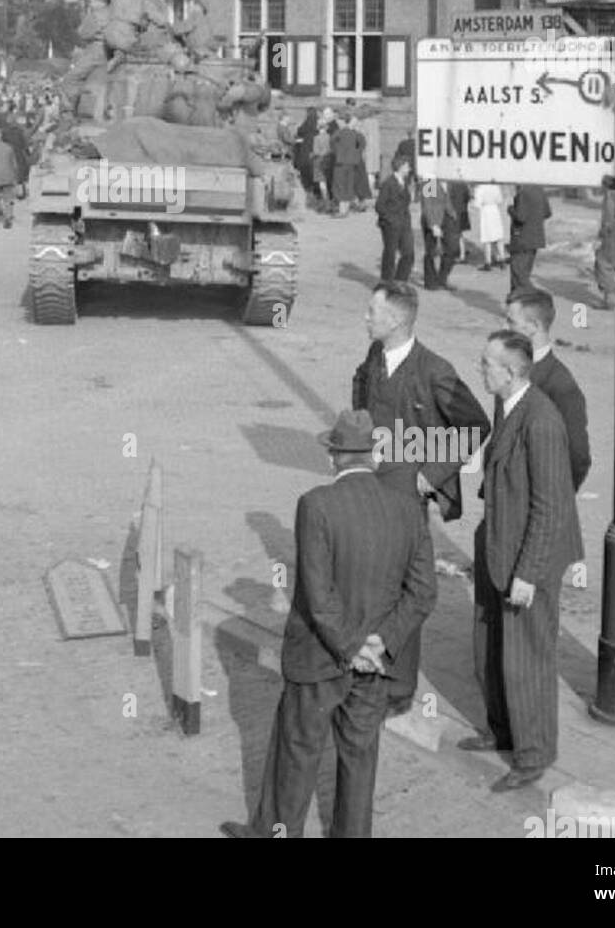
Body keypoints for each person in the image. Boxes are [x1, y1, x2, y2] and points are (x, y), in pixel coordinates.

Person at [220, 409, 436, 839]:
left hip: (320, 656)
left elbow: (319, 596)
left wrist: (351, 645)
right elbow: (423, 592)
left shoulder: (316, 504)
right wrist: (380, 642)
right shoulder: (407, 509)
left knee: (298, 750)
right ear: (375, 455)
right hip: (375, 663)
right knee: (359, 758)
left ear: (332, 457)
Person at [351, 281, 489, 715]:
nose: (366, 317)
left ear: (396, 320)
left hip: (406, 500)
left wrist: (429, 474)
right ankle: (371, 663)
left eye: (373, 312)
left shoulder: (434, 370)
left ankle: (399, 690)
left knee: (407, 590)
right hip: (371, 491)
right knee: (373, 584)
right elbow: (361, 395)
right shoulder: (376, 356)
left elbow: (474, 425)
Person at [459, 331, 582, 791]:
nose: (480, 367)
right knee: (490, 645)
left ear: (510, 372)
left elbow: (551, 506)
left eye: (487, 363)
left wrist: (528, 573)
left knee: (527, 657)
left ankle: (533, 755)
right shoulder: (506, 404)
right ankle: (501, 731)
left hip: (530, 558)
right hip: (498, 546)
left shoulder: (542, 422)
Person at [503, 289, 592, 492]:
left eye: (511, 322)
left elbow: (577, 456)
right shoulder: (511, 370)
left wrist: (553, 501)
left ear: (534, 326)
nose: (504, 328)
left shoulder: (559, 385)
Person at [375, 153, 415, 282]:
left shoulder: (406, 181)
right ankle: (387, 282)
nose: (410, 169)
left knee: (408, 253)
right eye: (408, 167)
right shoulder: (389, 183)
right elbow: (379, 206)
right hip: (392, 224)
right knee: (390, 254)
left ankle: (400, 281)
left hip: (404, 223)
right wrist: (390, 220)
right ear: (401, 167)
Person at [507, 185, 552, 293]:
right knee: (523, 272)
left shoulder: (523, 192)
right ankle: (517, 303)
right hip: (535, 238)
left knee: (519, 274)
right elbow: (547, 213)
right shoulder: (540, 189)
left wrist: (510, 209)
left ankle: (532, 298)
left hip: (521, 239)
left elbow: (520, 217)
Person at [420, 178, 460, 291]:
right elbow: (427, 204)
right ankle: (430, 281)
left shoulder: (450, 179)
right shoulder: (430, 181)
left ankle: (442, 277)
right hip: (433, 218)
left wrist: (453, 214)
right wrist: (433, 224)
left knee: (453, 249)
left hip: (447, 217)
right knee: (431, 251)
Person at [331, 118, 367, 215]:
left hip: (340, 162)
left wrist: (336, 152)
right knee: (349, 185)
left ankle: (342, 210)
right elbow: (363, 144)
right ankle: (345, 209)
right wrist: (357, 154)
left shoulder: (339, 133)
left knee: (340, 184)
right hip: (352, 162)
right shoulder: (356, 134)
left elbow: (332, 142)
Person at [594, 181, 615, 310]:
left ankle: (609, 298)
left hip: (614, 231)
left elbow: (608, 217)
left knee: (604, 262)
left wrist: (602, 232)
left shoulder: (611, 195)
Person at [473, 183, 507, 270]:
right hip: (494, 210)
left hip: (485, 211)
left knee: (487, 238)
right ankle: (502, 259)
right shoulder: (495, 186)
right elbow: (500, 200)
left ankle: (488, 262)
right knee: (498, 237)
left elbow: (477, 203)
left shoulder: (480, 187)